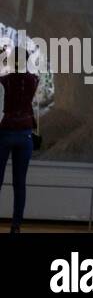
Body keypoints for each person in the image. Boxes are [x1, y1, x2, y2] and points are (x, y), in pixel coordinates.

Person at [0, 38, 39, 234]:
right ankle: (15, 226)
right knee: (19, 183)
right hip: (25, 135)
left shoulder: (5, 80)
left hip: (5, 132)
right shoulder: (34, 79)